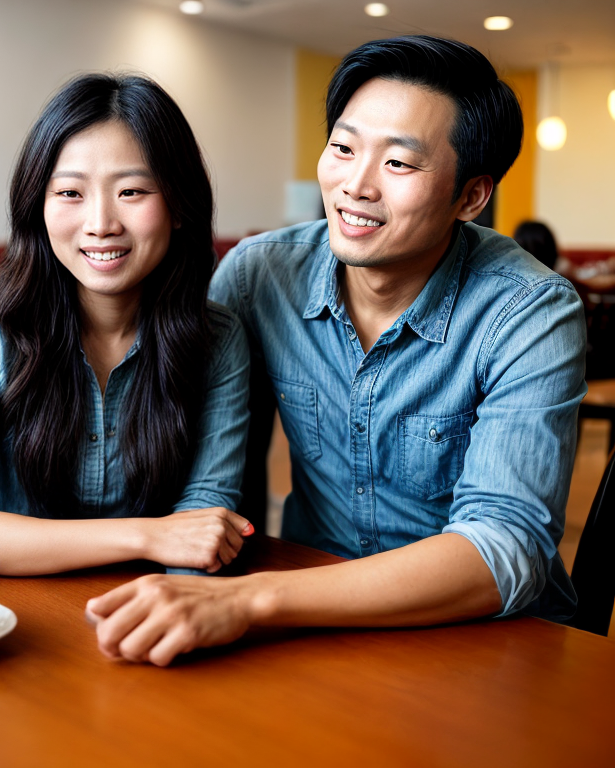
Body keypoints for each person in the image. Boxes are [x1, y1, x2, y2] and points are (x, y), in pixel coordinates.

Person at [85, 35, 587, 666]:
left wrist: (253, 602)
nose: (356, 185)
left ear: (471, 196)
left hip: (483, 641)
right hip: (309, 630)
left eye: (399, 164)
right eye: (343, 148)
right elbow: (208, 480)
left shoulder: (530, 311)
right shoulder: (260, 275)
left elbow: (506, 549)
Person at [0, 73, 253, 575]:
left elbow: (201, 531)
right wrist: (149, 535)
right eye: (71, 192)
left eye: (132, 191)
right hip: (18, 618)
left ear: (178, 205)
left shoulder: (218, 339)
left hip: (152, 609)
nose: (100, 222)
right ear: (40, 205)